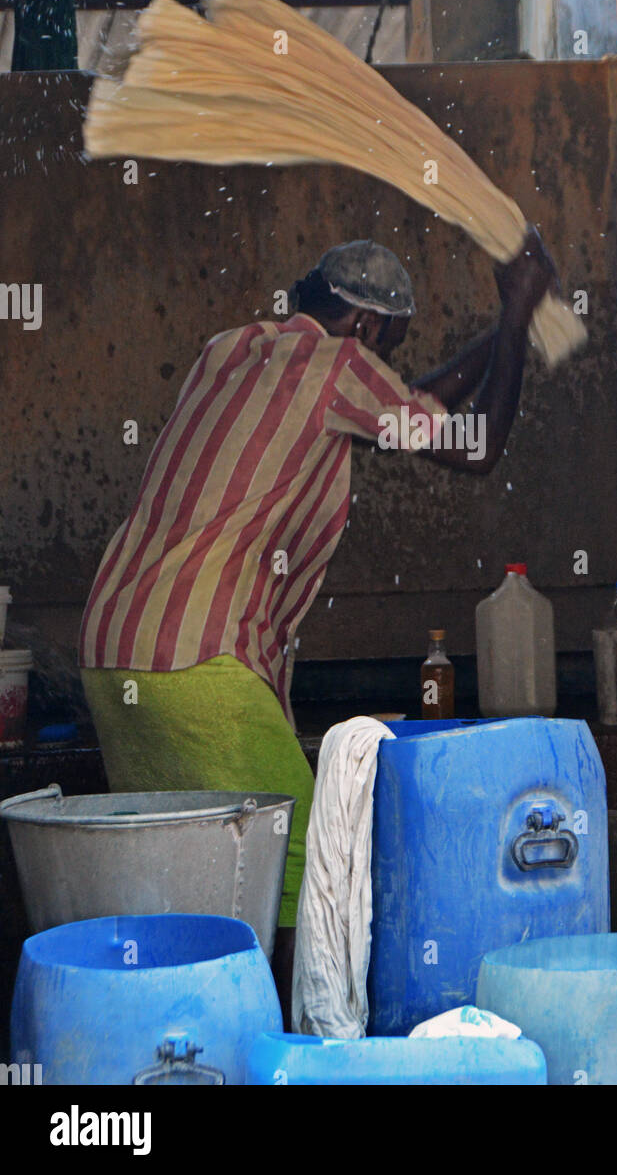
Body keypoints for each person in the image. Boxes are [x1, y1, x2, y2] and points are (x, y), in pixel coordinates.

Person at [78, 226, 556, 1014]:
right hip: (200, 660)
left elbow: (410, 408)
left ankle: (200, 1044)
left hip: (116, 644)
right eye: (387, 347)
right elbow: (474, 447)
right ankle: (303, 1050)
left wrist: (507, 322)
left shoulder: (230, 349)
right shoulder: (342, 368)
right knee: (305, 871)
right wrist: (512, 322)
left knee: (191, 879)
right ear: (365, 329)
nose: (385, 366)